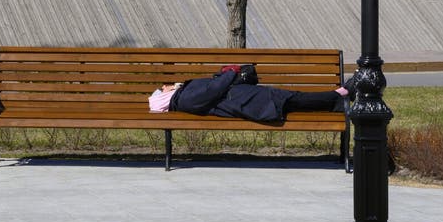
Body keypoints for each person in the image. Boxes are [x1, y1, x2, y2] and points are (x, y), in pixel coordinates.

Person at [148, 65, 352, 123]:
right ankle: (339, 95)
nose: (167, 85)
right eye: (164, 87)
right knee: (293, 99)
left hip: (246, 98)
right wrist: (231, 72)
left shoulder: (183, 96)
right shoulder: (185, 98)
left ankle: (338, 99)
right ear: (165, 96)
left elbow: (213, 89)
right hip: (248, 101)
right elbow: (213, 90)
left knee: (294, 100)